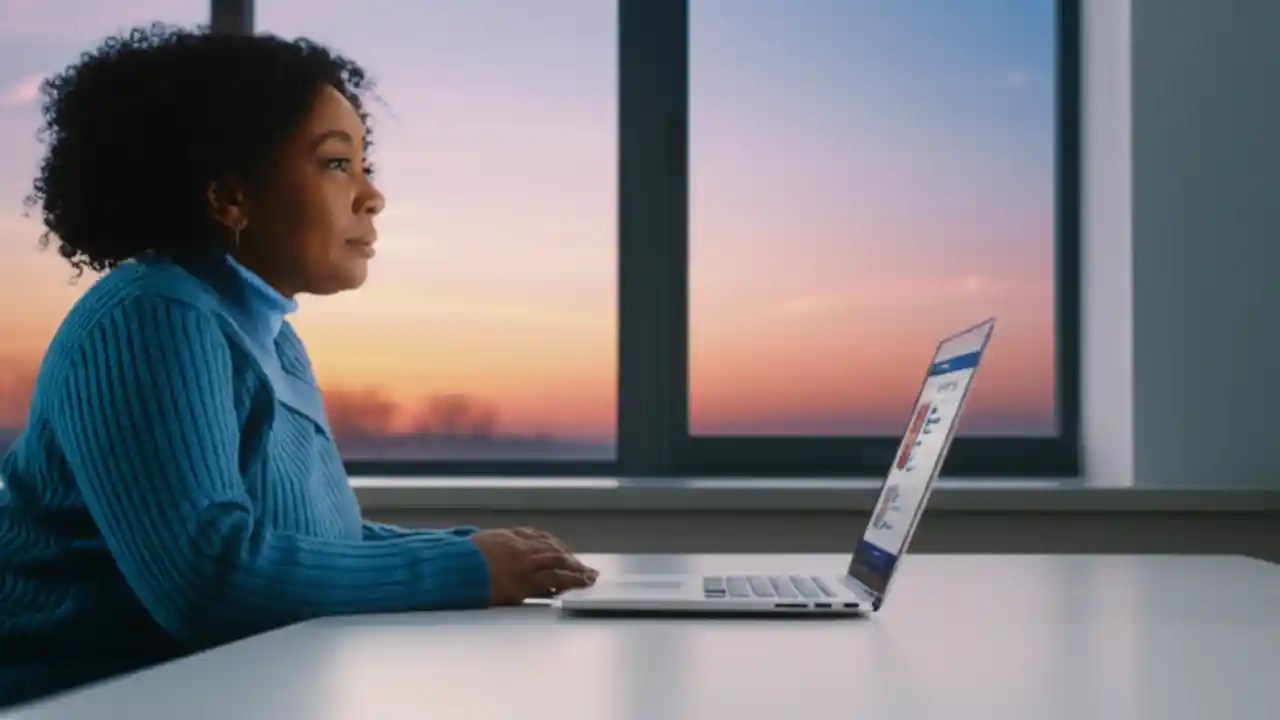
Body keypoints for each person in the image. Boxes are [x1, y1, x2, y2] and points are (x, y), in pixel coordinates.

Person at [0, 24, 596, 707]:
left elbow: (305, 542)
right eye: (337, 163)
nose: (372, 197)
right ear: (230, 197)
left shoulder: (268, 336)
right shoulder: (154, 315)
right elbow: (210, 579)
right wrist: (466, 566)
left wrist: (482, 551)